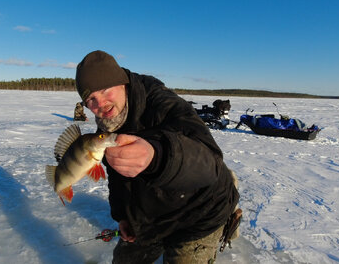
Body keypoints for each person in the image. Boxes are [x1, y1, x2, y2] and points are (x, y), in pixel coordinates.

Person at [75, 50, 240, 263]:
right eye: (91, 99)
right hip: (152, 217)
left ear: (122, 82)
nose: (101, 104)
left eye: (106, 90)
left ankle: (229, 212)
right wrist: (122, 215)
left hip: (199, 212)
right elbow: (117, 175)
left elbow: (211, 161)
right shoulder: (107, 125)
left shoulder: (162, 104)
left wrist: (157, 156)